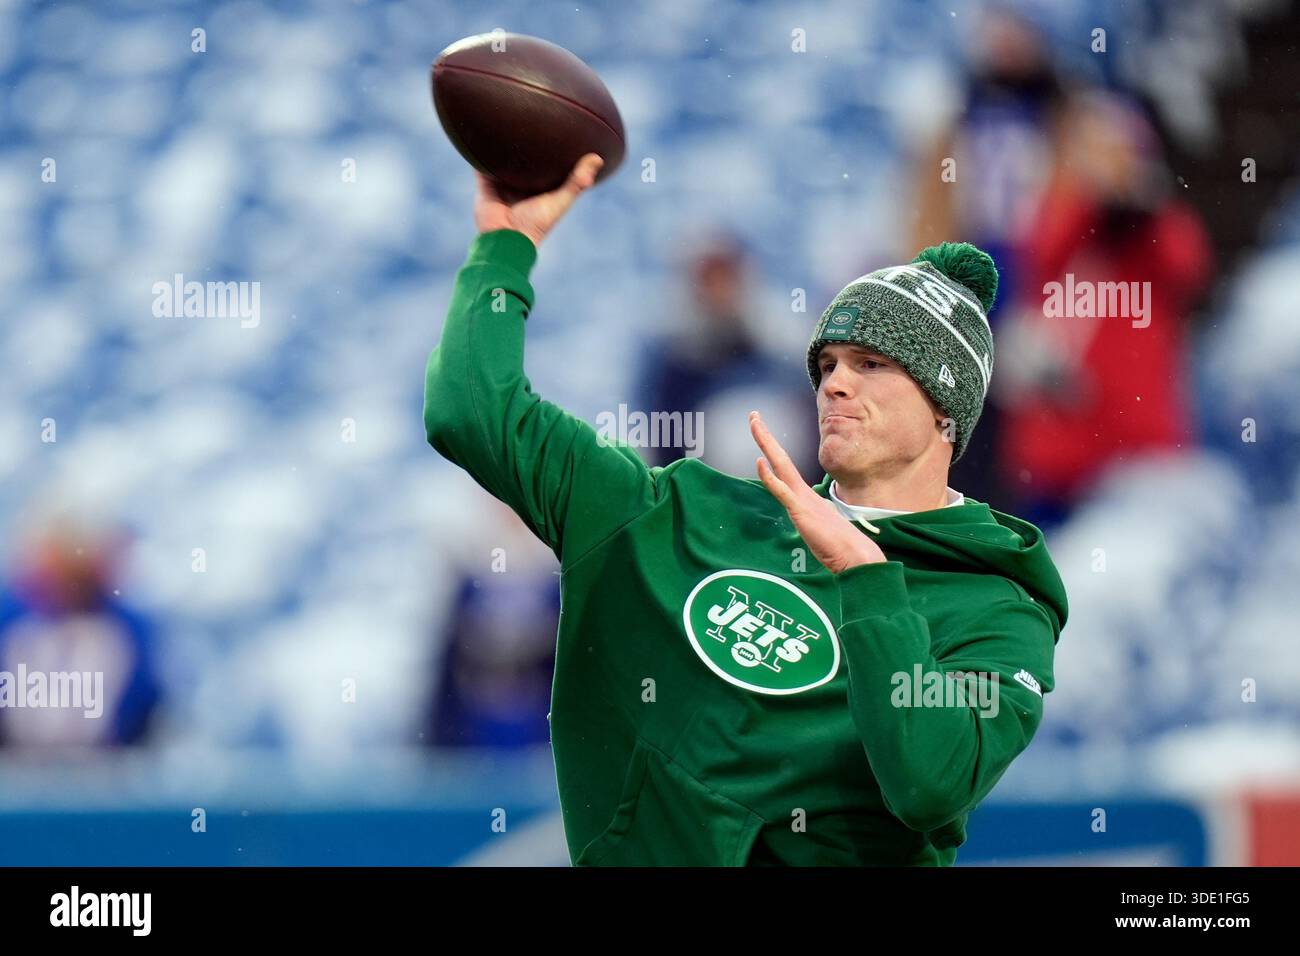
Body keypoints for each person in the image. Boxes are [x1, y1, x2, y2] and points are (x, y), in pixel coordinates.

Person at [423, 154, 1069, 866]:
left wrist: (869, 581)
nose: (836, 385)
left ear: (946, 405)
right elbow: (471, 411)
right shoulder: (689, 514)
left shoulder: (998, 603)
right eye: (826, 365)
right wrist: (504, 247)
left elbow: (930, 784)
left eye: (873, 364)